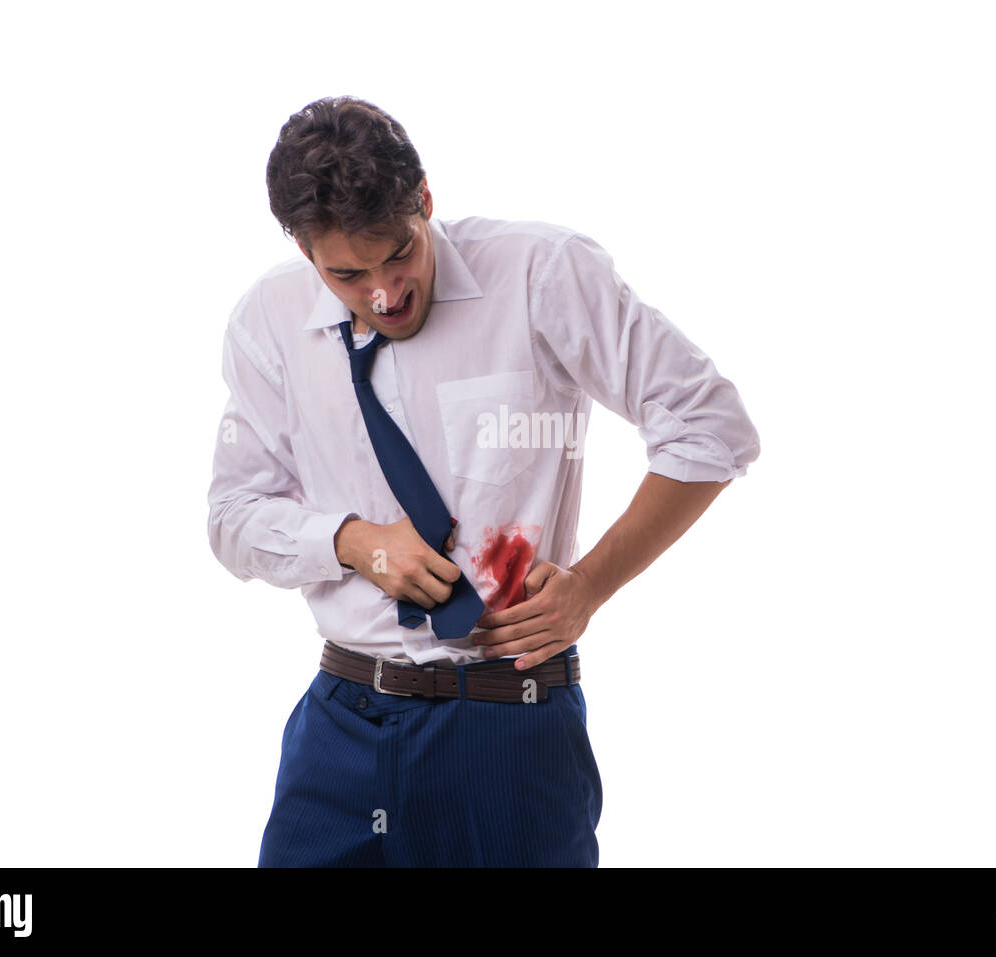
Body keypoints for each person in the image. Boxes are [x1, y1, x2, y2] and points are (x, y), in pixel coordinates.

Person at [206, 95, 760, 867]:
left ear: (425, 201)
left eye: (399, 254)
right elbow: (232, 515)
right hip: (343, 725)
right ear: (303, 250)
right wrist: (353, 542)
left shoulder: (540, 273)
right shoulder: (268, 322)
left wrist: (590, 585)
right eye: (346, 273)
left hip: (510, 727)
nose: (383, 293)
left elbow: (711, 425)